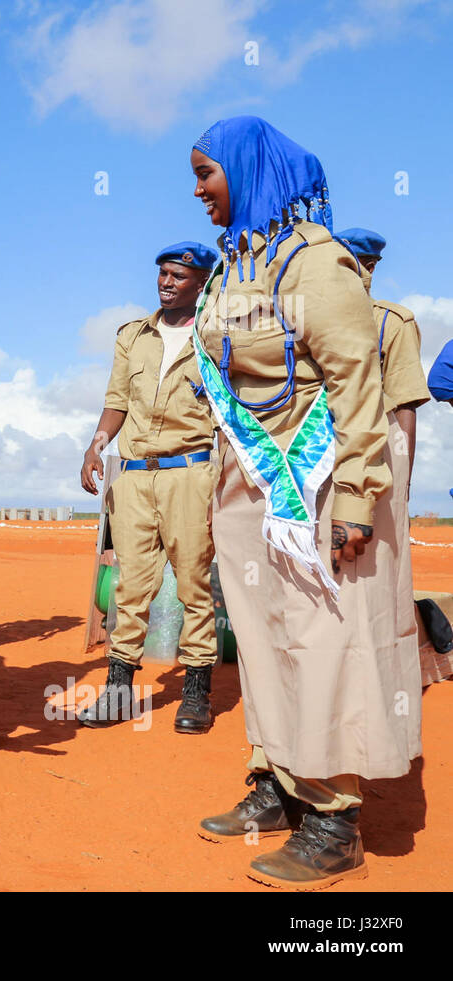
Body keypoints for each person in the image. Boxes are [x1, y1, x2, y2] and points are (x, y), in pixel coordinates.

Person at [188, 118, 420, 889]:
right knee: (260, 640)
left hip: (316, 488)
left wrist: (357, 494)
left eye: (207, 174)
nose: (198, 191)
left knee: (321, 640)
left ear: (249, 172)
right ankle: (279, 780)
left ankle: (334, 817)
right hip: (248, 490)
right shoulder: (231, 272)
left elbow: (359, 388)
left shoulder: (320, 267)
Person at [77, 242, 219, 733]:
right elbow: (116, 399)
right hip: (133, 475)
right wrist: (96, 445)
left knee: (193, 584)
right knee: (131, 586)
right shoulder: (132, 336)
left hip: (191, 473)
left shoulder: (217, 337)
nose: (166, 282)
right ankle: (119, 691)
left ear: (201, 283)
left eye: (178, 276)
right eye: (162, 273)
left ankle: (197, 691)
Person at [335, 228, 430, 484]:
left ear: (370, 268)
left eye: (345, 265)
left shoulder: (392, 322)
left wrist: (402, 483)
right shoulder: (304, 321)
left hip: (376, 462)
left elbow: (404, 404)